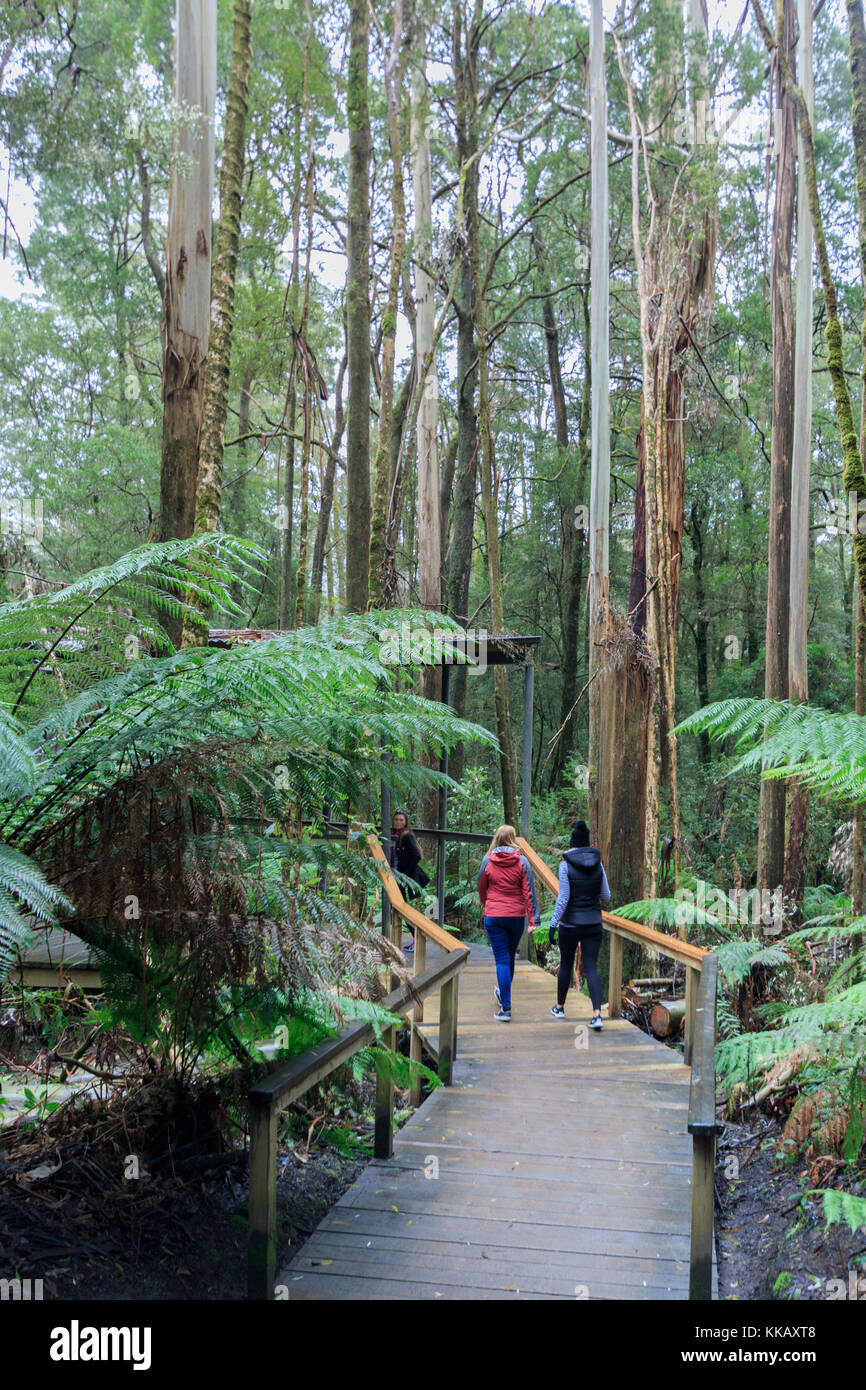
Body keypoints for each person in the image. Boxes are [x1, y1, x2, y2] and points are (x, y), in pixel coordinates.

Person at [548, 819, 611, 1029]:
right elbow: (606, 895)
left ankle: (559, 1007)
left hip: (570, 924)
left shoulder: (565, 864)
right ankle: (596, 1015)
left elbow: (563, 897)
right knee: (591, 966)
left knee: (566, 963)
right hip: (593, 922)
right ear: (587, 843)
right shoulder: (598, 863)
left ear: (572, 842)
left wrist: (553, 923)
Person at [477, 825, 539, 1021]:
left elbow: (481, 887)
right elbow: (528, 892)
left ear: (497, 838)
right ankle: (504, 999)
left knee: (502, 960)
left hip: (494, 916)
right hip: (515, 917)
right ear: (513, 839)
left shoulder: (487, 860)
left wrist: (487, 904)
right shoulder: (522, 862)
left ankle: (506, 1007)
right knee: (509, 958)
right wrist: (533, 919)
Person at [389, 812, 428, 951]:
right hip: (393, 875)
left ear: (405, 822)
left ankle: (417, 938)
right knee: (397, 907)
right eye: (396, 820)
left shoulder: (405, 836)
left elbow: (416, 855)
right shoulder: (395, 835)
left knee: (402, 908)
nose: (398, 822)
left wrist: (404, 874)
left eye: (401, 820)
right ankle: (400, 939)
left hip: (399, 876)